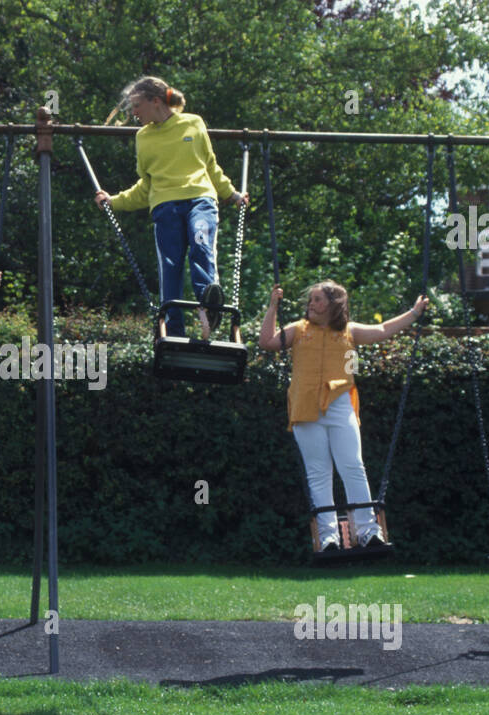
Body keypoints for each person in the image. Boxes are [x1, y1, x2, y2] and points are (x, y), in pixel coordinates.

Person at [259, 281, 428, 550]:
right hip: (305, 407)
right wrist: (272, 307)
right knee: (319, 473)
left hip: (339, 404)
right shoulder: (299, 330)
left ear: (333, 305)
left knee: (353, 466)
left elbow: (383, 330)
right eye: (310, 299)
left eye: (317, 300)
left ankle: (368, 531)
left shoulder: (349, 332)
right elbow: (266, 342)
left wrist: (414, 313)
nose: (311, 304)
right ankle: (328, 537)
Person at [93, 75, 248, 338]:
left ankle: (208, 302)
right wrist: (114, 201)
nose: (134, 112)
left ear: (156, 102)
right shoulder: (143, 138)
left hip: (200, 199)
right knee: (170, 264)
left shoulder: (193, 123)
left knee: (201, 243)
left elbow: (209, 166)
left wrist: (231, 194)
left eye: (137, 105)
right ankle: (173, 329)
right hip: (165, 207)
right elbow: (146, 186)